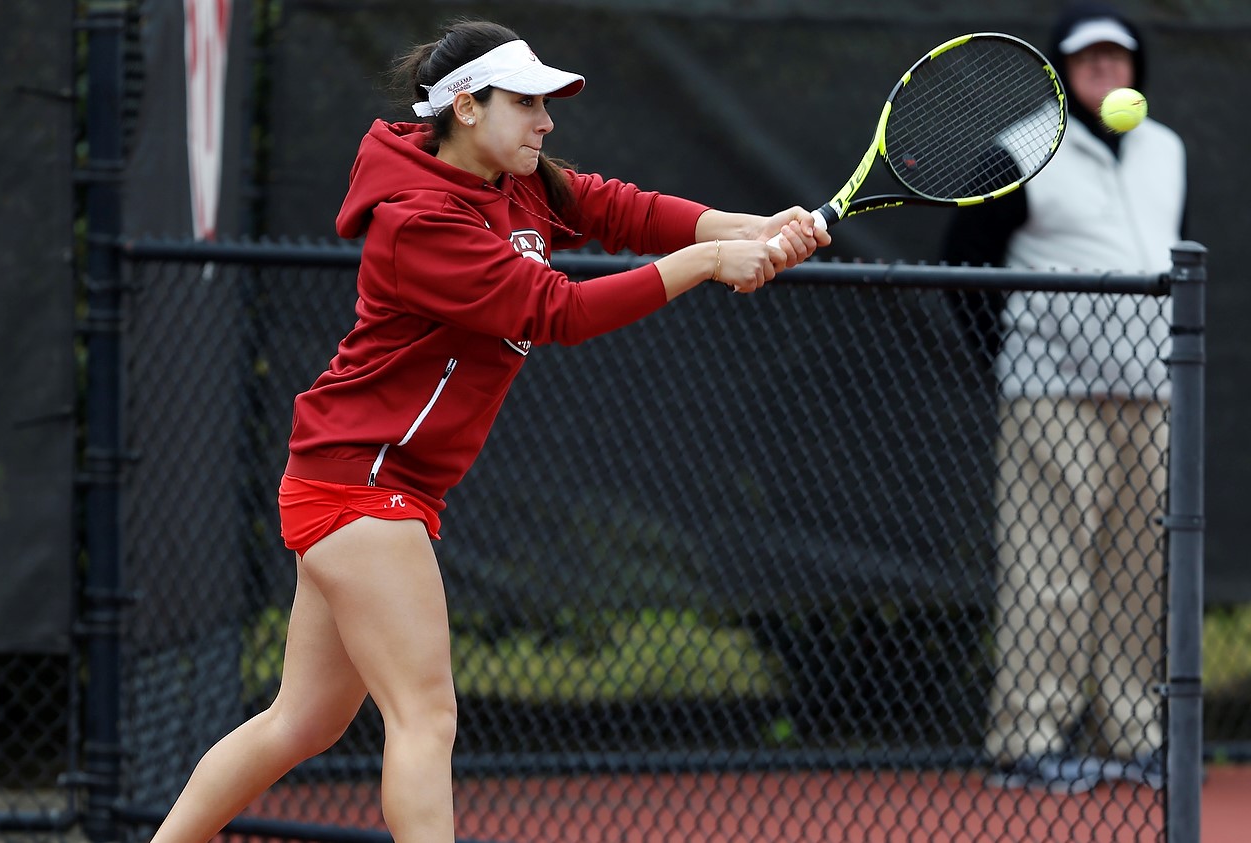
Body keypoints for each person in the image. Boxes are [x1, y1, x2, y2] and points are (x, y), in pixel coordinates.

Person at [146, 19, 830, 843]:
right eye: (527, 103)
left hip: (357, 476)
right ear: (466, 107)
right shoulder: (420, 221)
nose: (546, 121)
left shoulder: (519, 184)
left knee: (302, 721)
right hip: (363, 483)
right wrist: (707, 263)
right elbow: (556, 311)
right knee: (426, 715)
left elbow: (621, 209)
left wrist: (750, 228)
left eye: (547, 105)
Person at [941, 1, 1187, 794]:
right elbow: (963, 260)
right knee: (1048, 566)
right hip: (1051, 394)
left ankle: (1134, 737)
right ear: (1062, 71)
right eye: (1088, 58)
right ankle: (1029, 740)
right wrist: (1014, 355)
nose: (1105, 69)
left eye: (1117, 56)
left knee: (1141, 570)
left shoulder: (1167, 150)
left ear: (1136, 69)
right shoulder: (1021, 149)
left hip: (1151, 394)